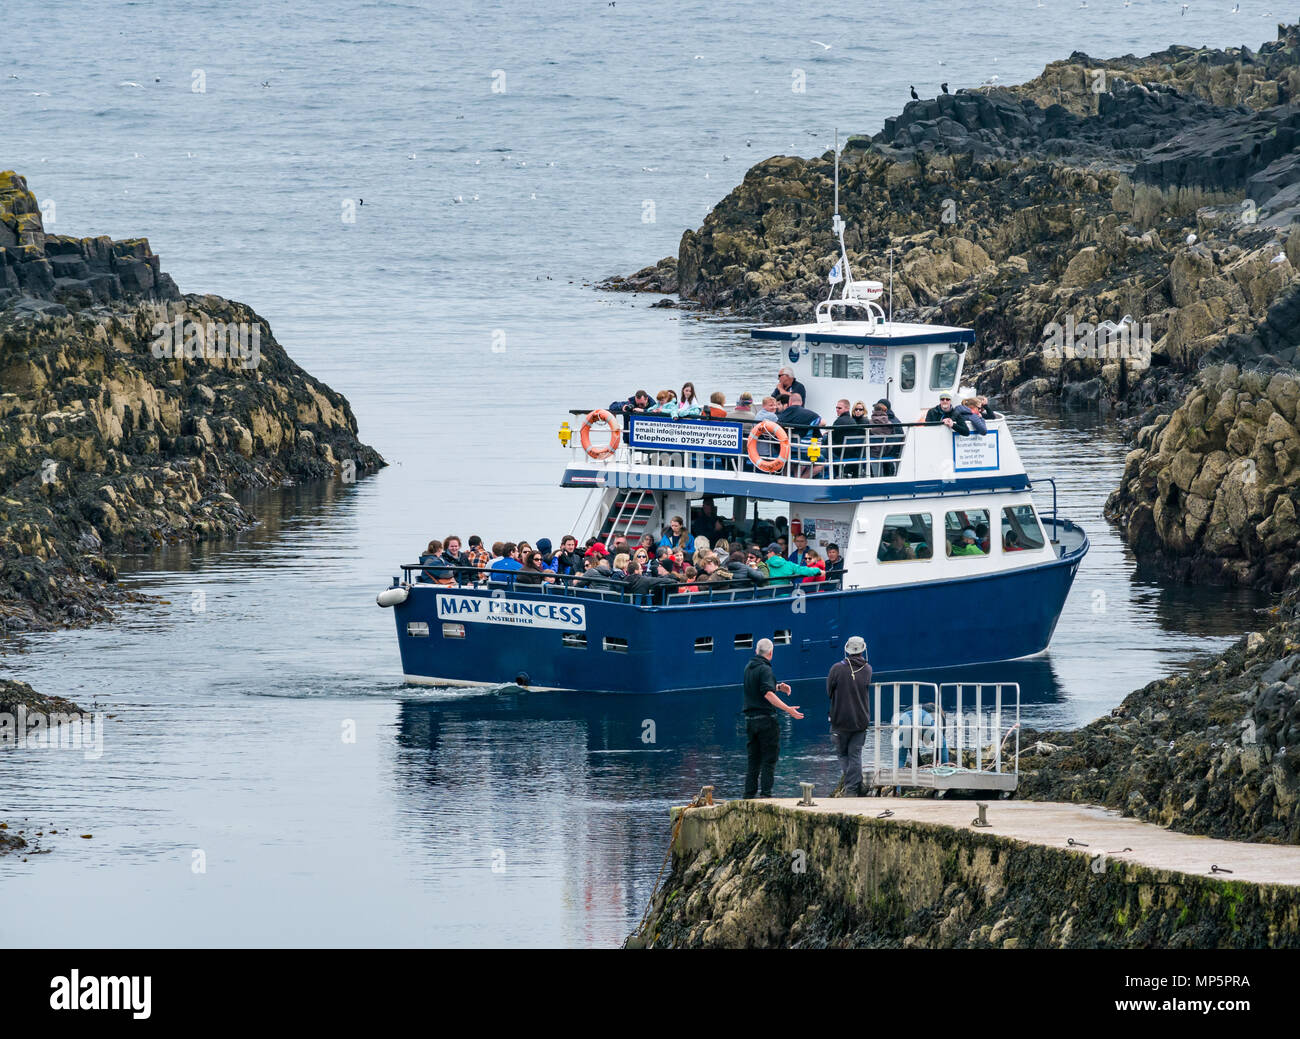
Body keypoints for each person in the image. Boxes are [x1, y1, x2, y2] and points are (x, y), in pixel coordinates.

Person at [742, 637, 803, 799]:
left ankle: (748, 795)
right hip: (765, 720)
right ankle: (766, 795)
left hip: (750, 721)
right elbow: (767, 694)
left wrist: (778, 687)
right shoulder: (765, 669)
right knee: (769, 758)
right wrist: (788, 709)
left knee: (753, 760)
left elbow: (760, 688)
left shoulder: (749, 667)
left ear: (756, 651)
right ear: (771, 653)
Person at [827, 636, 872, 797]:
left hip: (839, 720)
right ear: (863, 650)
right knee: (855, 755)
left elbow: (829, 691)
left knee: (842, 754)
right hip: (860, 720)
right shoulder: (868, 669)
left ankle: (851, 790)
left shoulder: (836, 669)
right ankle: (856, 787)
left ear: (846, 649)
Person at [829, 398, 861, 477]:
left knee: (821, 453)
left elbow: (832, 438)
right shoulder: (853, 421)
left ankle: (829, 475)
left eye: (839, 408)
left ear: (847, 409)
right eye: (836, 407)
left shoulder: (839, 421)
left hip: (839, 453)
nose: (837, 410)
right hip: (849, 453)